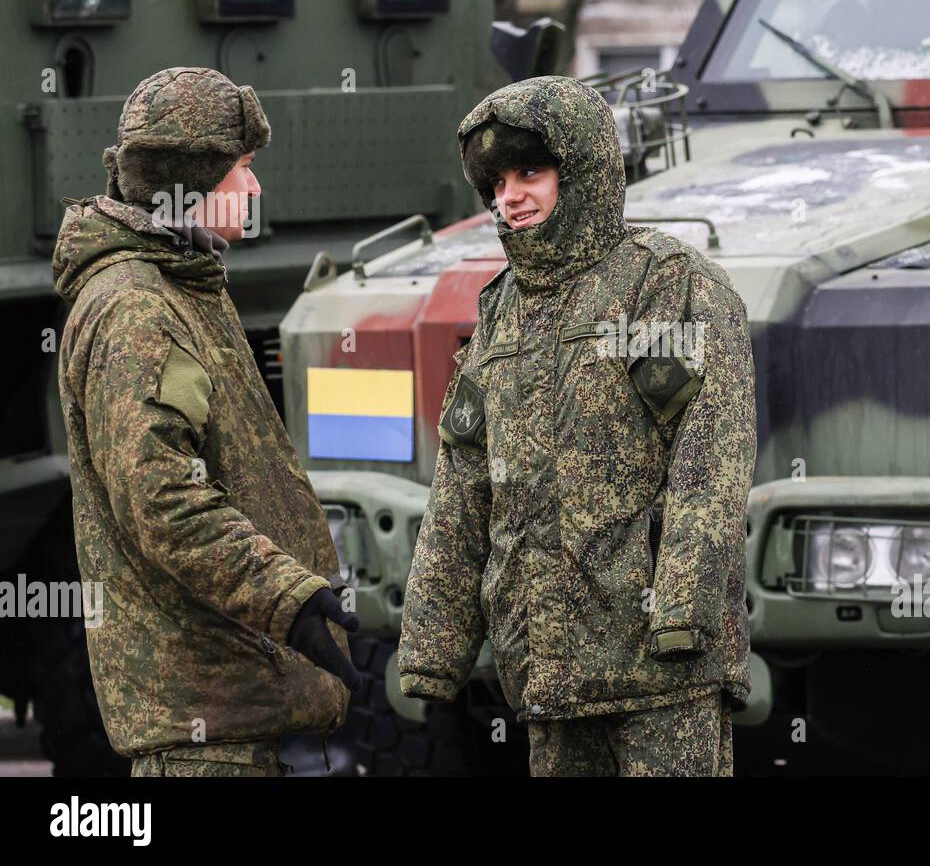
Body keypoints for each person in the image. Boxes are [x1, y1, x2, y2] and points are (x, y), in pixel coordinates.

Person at [398, 75, 757, 776]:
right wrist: (433, 646)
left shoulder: (666, 286)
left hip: (662, 671)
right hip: (550, 672)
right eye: (496, 183)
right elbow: (463, 483)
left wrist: (680, 608)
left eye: (531, 171)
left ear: (583, 168)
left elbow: (710, 453)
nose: (511, 196)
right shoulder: (501, 308)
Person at [53, 67, 361, 777]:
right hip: (203, 733)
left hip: (238, 713)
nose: (254, 190)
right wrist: (286, 595)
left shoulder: (185, 287)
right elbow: (163, 501)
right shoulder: (137, 309)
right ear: (191, 182)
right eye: (243, 170)